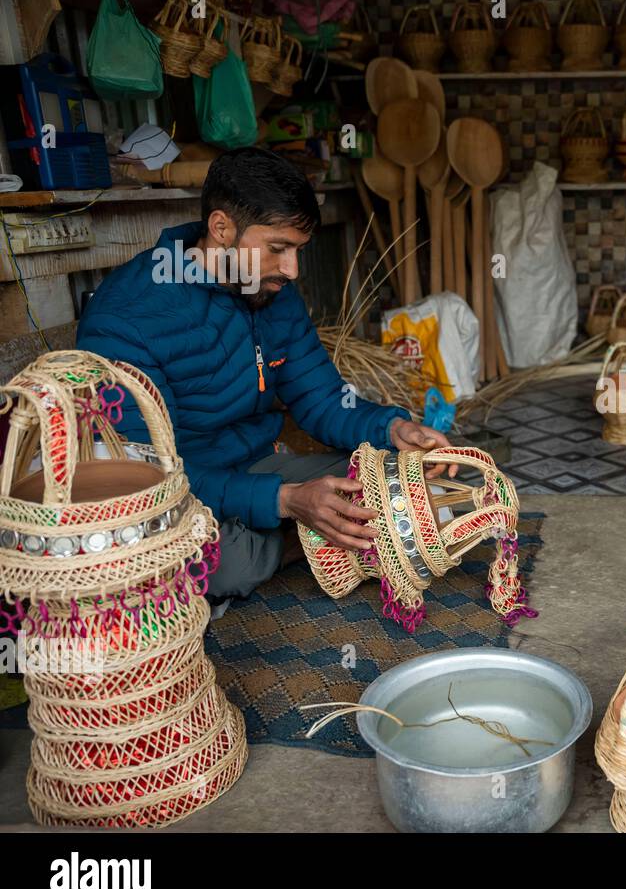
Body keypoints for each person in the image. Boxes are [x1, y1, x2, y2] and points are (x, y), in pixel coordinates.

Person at [78, 147, 454, 610]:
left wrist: (393, 428)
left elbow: (324, 398)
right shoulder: (129, 316)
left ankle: (306, 532)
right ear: (221, 229)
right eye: (278, 249)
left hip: (261, 467)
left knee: (410, 480)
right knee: (222, 564)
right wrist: (286, 500)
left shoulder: (271, 291)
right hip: (180, 495)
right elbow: (149, 476)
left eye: (297, 251)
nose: (292, 269)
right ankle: (304, 540)